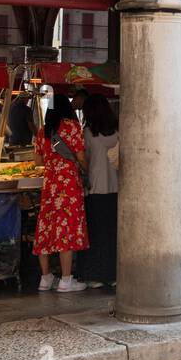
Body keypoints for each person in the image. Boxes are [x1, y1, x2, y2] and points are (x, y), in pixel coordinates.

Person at [32, 94, 89, 292]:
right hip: (68, 185)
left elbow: (37, 162)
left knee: (47, 227)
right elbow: (81, 156)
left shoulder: (43, 131)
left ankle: (45, 278)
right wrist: (86, 169)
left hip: (49, 185)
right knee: (66, 228)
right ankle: (66, 280)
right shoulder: (73, 128)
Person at [79, 93, 119, 288]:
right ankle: (113, 274)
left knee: (95, 233)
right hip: (118, 188)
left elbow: (84, 158)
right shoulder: (119, 130)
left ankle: (96, 275)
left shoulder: (89, 132)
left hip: (96, 187)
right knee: (113, 233)